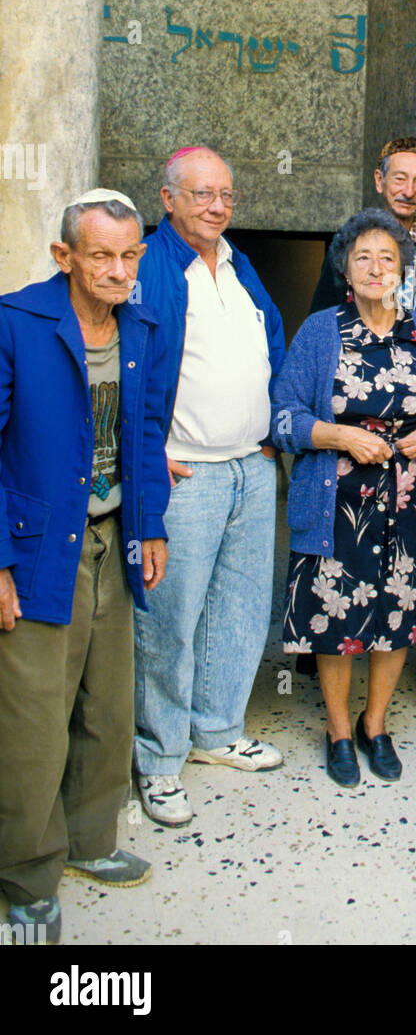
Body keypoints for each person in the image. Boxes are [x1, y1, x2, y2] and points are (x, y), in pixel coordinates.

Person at [0, 189, 169, 945]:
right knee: (33, 723)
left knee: (107, 707)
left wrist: (151, 523)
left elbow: (147, 431)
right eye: (99, 254)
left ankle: (90, 841)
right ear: (64, 256)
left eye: (129, 254)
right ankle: (27, 879)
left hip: (112, 540)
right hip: (39, 548)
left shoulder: (142, 324)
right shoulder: (16, 322)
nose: (117, 270)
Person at [272, 208, 416, 786]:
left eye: (388, 258)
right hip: (334, 507)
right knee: (335, 623)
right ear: (345, 270)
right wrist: (337, 436)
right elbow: (282, 418)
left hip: (407, 510)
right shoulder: (320, 332)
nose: (377, 268)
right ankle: (337, 730)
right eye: (364, 258)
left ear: (404, 269)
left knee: (397, 618)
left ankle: (374, 725)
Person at [132, 147, 286, 828]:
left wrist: (274, 435)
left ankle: (217, 731)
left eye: (226, 194)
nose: (217, 206)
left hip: (250, 469)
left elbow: (269, 347)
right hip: (184, 474)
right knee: (168, 622)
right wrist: (148, 453)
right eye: (201, 194)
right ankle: (159, 759)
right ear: (167, 199)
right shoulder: (146, 264)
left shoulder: (240, 265)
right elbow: (123, 364)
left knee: (240, 609)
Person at [309, 137, 416, 313]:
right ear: (379, 180)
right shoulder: (348, 244)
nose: (409, 191)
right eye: (400, 179)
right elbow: (322, 321)